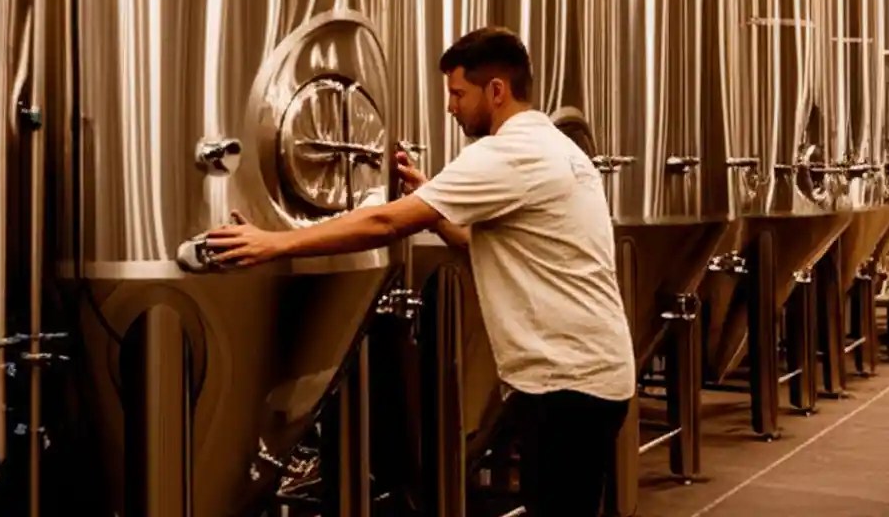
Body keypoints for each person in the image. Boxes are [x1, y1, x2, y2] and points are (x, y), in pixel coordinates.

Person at [208, 26, 635, 517]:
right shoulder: (555, 147)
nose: (450, 107)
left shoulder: (509, 153)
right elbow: (481, 242)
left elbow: (386, 221)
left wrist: (274, 242)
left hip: (567, 385)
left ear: (495, 91)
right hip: (591, 376)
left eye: (458, 93)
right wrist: (433, 195)